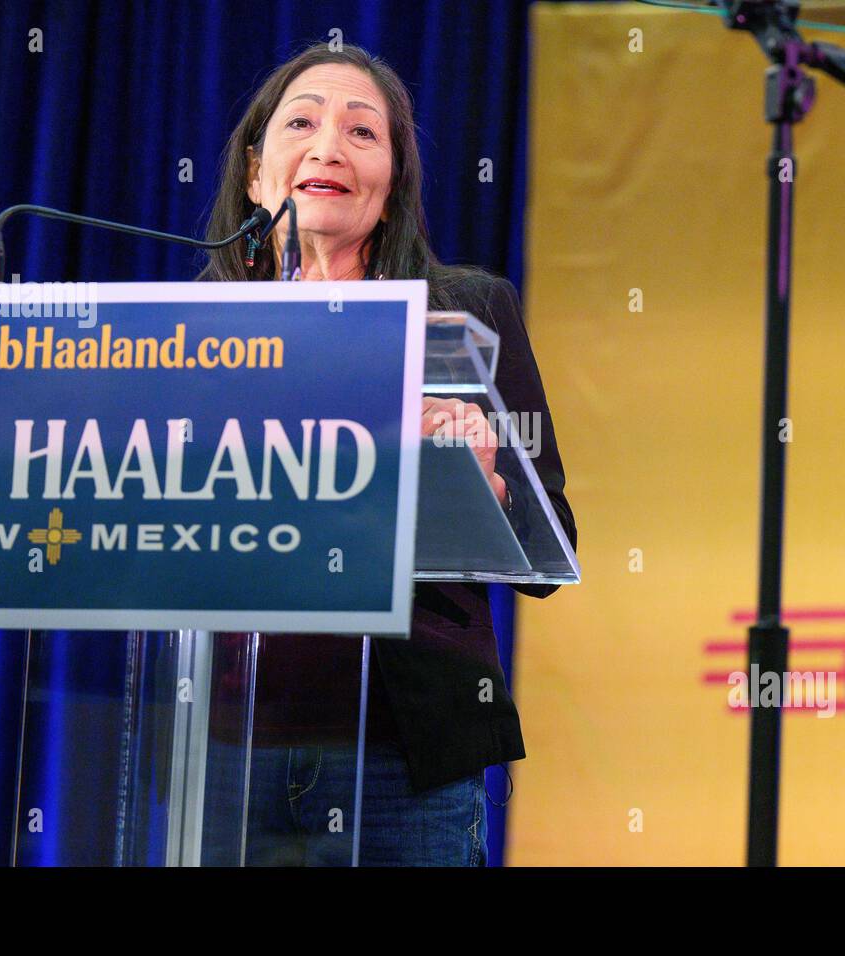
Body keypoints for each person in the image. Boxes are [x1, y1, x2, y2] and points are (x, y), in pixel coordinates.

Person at [196, 41, 575, 866]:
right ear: (258, 172)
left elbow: (553, 555)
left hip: (405, 759)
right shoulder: (195, 332)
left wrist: (486, 487)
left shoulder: (470, 310)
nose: (329, 145)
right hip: (220, 742)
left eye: (362, 132)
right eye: (302, 122)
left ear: (393, 179)